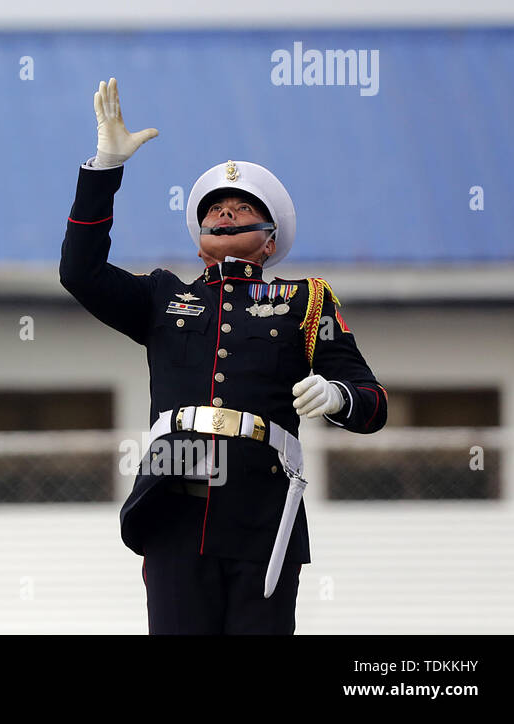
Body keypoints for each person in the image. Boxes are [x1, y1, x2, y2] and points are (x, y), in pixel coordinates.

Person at [59, 77, 387, 634]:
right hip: (174, 497)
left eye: (241, 207)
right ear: (199, 237)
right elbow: (79, 273)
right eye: (217, 209)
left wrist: (338, 395)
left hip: (263, 505)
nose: (227, 213)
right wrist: (104, 169)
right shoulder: (164, 297)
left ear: (269, 239)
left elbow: (373, 404)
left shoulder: (305, 300)